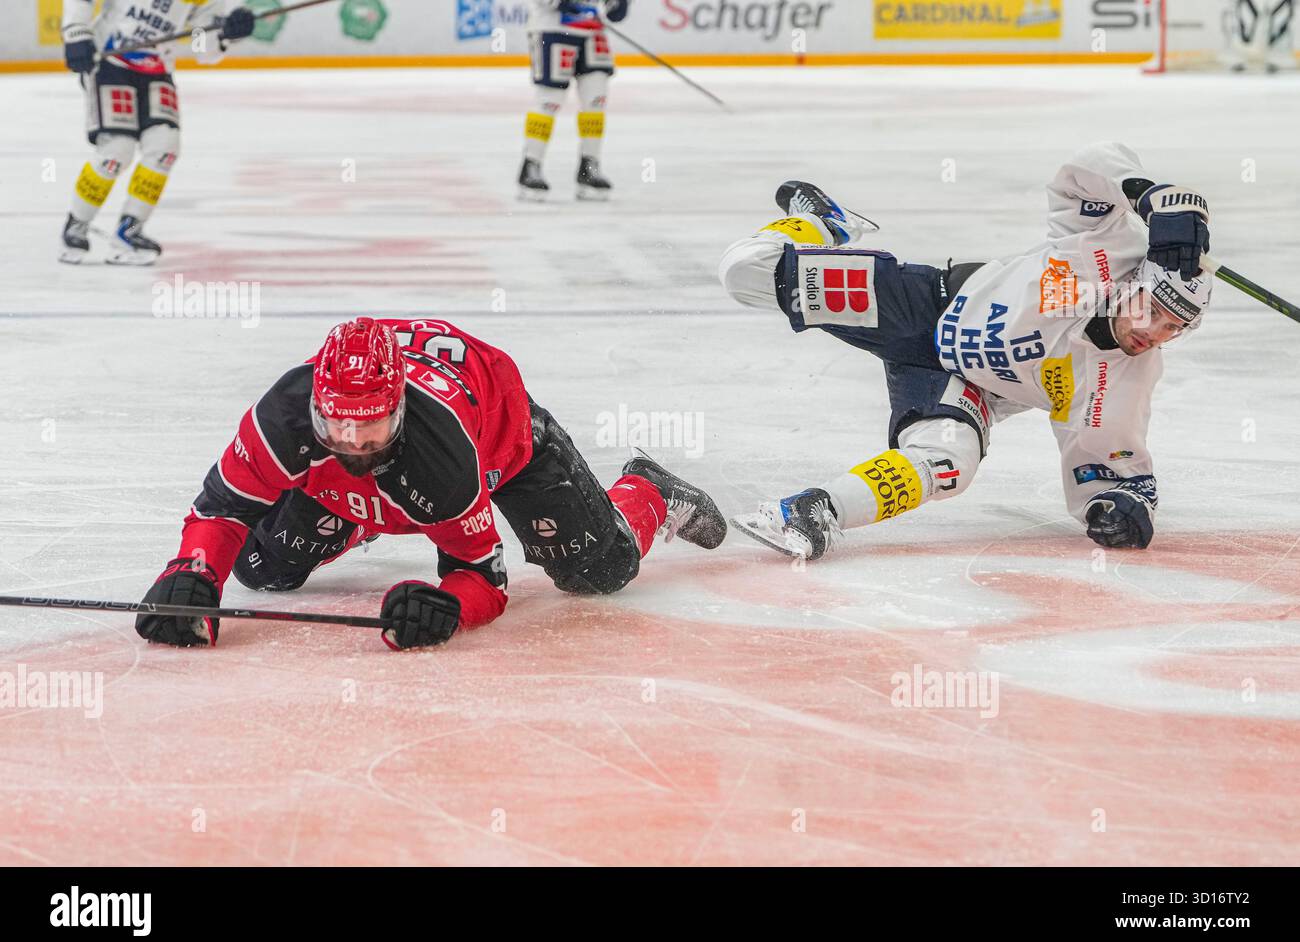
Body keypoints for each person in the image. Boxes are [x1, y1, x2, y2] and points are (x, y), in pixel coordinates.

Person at [718, 142, 1213, 558]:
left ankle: (816, 511)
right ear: (1131, 286)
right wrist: (1155, 195)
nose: (1156, 332)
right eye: (1154, 310)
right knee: (746, 272)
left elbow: (1109, 470)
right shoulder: (1104, 250)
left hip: (960, 384)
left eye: (1175, 328)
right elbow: (1085, 170)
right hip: (922, 306)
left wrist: (1122, 510)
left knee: (949, 463)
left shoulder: (1124, 380)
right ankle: (826, 224)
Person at [135, 317, 725, 649]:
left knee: (599, 572)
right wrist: (191, 572)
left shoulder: (442, 456)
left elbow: (484, 579)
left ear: (400, 411)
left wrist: (448, 609)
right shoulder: (279, 418)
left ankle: (645, 492)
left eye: (373, 429)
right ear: (313, 402)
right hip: (392, 482)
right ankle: (363, 513)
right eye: (335, 425)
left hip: (503, 437)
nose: (353, 443)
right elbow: (222, 509)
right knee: (264, 569)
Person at [59, 0, 255, 264]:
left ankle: (129, 231)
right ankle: (77, 224)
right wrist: (76, 31)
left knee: (164, 147)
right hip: (109, 62)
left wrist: (225, 34)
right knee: (116, 150)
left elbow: (200, 45)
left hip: (157, 68)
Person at [518, 0, 630, 200]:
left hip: (592, 31)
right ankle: (531, 165)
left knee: (596, 99)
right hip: (552, 28)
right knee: (550, 100)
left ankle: (589, 165)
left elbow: (615, 13)